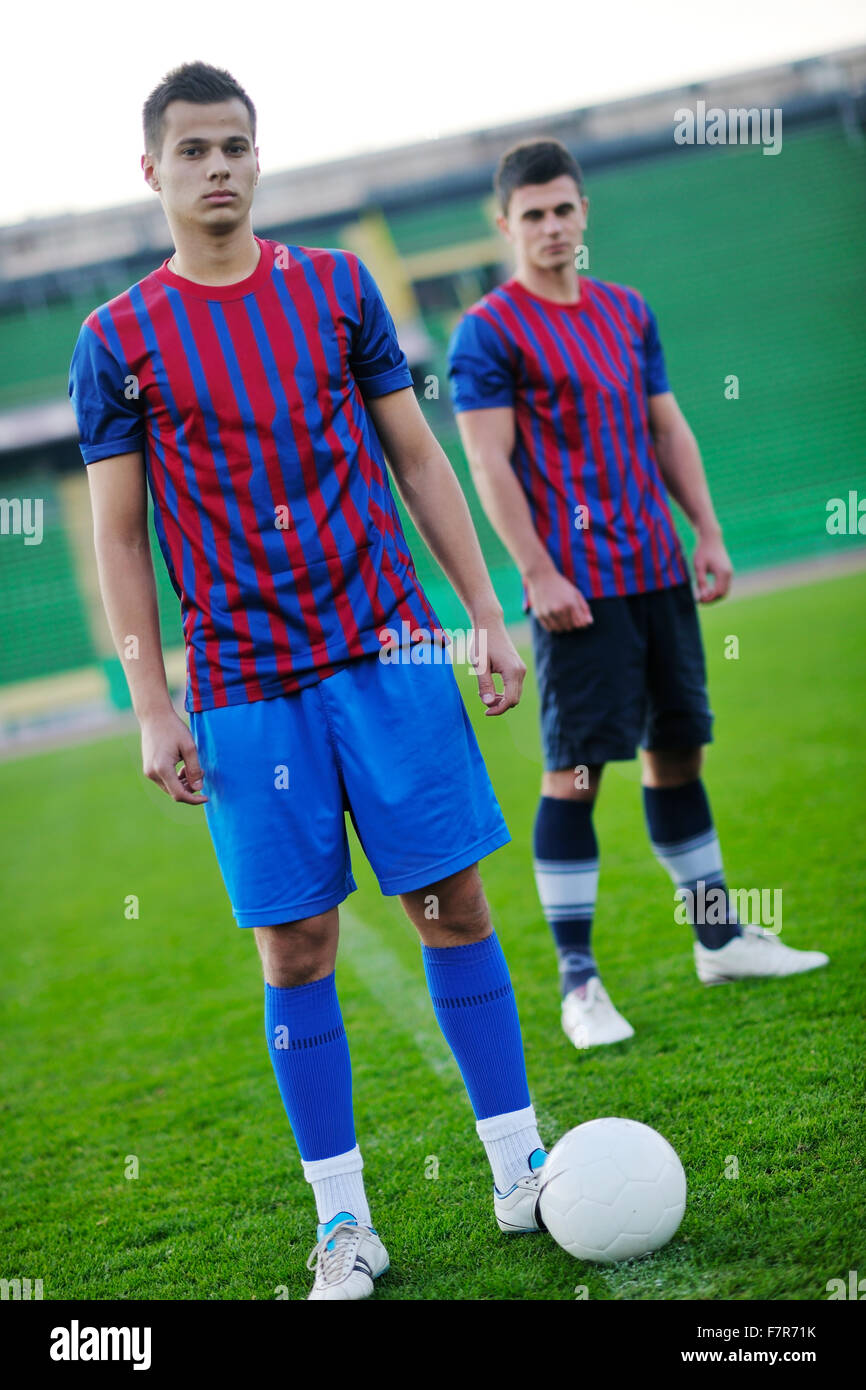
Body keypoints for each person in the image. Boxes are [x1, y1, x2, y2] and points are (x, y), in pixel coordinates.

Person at [68, 63, 549, 1301]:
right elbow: (121, 536)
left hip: (388, 646)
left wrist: (482, 612)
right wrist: (151, 699)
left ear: (258, 157)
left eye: (235, 145)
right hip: (240, 684)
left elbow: (414, 454)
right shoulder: (115, 340)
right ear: (152, 172)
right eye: (192, 151)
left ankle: (519, 1163)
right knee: (295, 943)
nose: (217, 166)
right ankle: (343, 1222)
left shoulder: (336, 289)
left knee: (451, 902)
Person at [447, 138, 828, 1051]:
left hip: (658, 570)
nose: (551, 226)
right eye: (532, 214)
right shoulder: (489, 331)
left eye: (564, 209)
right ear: (505, 225)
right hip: (577, 589)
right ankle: (580, 984)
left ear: (584, 214)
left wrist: (708, 531)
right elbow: (487, 460)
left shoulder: (627, 311)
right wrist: (538, 572)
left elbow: (666, 426)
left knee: (678, 755)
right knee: (575, 775)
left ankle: (720, 938)